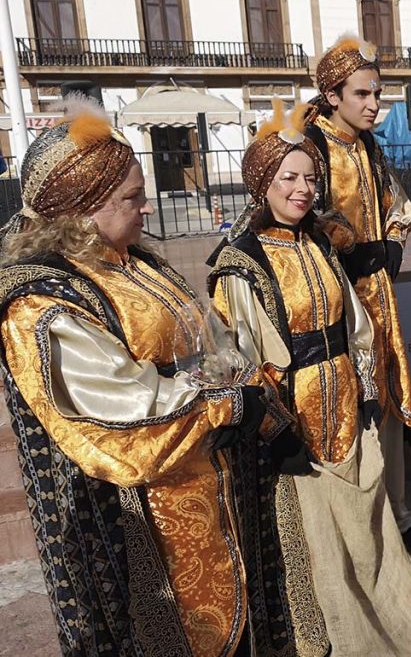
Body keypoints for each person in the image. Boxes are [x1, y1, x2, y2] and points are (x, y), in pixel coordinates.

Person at [0, 101, 290, 654]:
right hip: (137, 512)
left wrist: (243, 387)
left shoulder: (132, 259)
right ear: (82, 209)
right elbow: (118, 405)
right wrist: (225, 406)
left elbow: (202, 336)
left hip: (203, 481)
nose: (147, 208)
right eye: (132, 197)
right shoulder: (42, 300)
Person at [208, 100, 411, 654]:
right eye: (288, 177)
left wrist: (366, 388)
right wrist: (277, 429)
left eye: (310, 179)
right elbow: (244, 356)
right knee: (322, 545)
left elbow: (356, 322)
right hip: (296, 421)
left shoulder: (320, 242)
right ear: (261, 182)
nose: (302, 189)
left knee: (370, 528)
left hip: (347, 398)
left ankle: (392, 617)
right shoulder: (241, 263)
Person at [305, 33, 411, 547]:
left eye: (377, 93)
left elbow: (397, 207)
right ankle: (363, 529)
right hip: (337, 305)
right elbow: (301, 219)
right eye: (362, 94)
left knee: (384, 405)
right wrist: (348, 253)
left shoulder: (367, 145)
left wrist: (391, 248)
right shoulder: (313, 147)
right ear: (334, 95)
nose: (373, 104)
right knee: (352, 408)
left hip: (378, 296)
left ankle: (397, 514)